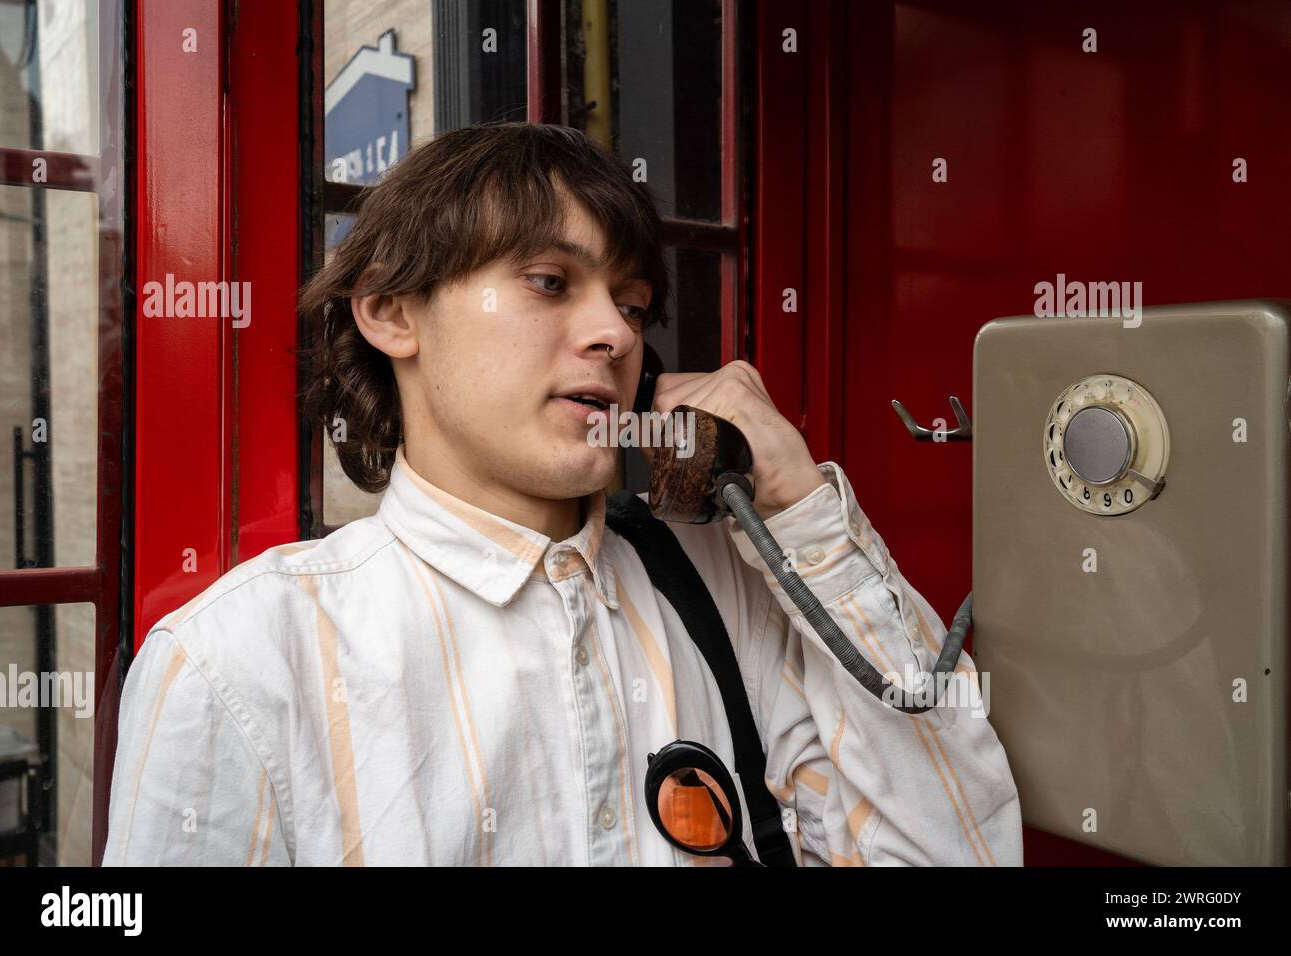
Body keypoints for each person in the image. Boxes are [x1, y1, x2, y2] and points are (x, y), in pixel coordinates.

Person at [102, 121, 1021, 866]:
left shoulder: (729, 586)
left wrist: (804, 514)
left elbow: (957, 857)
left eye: (630, 304)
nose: (613, 336)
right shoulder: (241, 662)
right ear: (390, 309)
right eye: (549, 282)